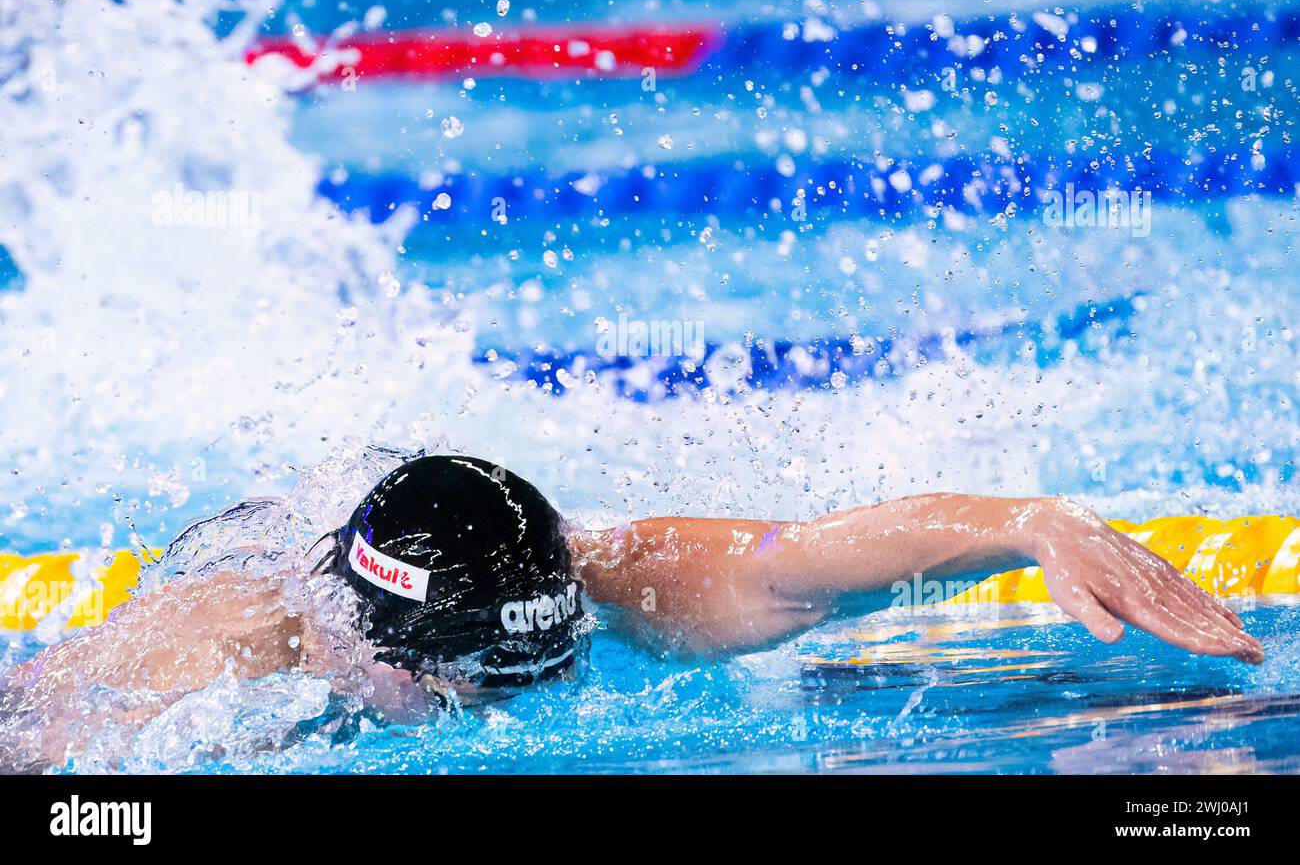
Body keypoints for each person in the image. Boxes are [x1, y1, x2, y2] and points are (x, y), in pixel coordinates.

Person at [0, 455, 1263, 769]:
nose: (516, 710)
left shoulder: (609, 570)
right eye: (485, 685)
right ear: (376, 647)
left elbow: (805, 560)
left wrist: (1029, 520)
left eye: (544, 668)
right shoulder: (216, 645)